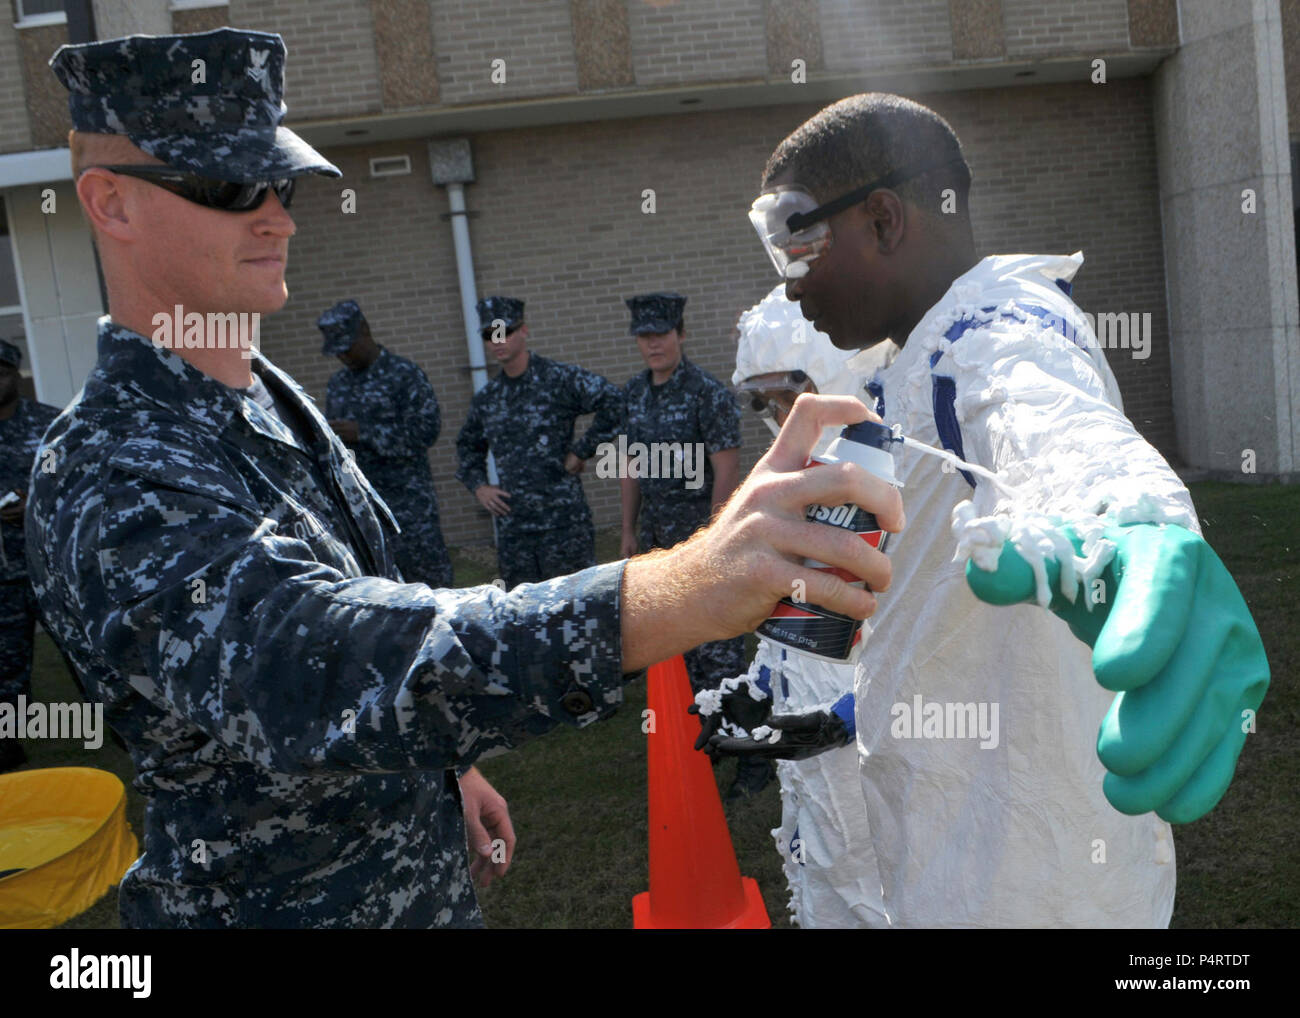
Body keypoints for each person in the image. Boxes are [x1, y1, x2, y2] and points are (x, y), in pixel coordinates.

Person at [30, 28, 902, 929]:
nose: (279, 218)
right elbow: (320, 665)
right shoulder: (110, 468)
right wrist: (691, 584)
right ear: (111, 204)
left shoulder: (266, 394)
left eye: (282, 184)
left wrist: (447, 768)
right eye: (229, 187)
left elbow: (375, 599)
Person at [739, 91, 1269, 927]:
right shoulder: (914, 356)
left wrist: (1124, 512)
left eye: (800, 246)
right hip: (961, 848)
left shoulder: (987, 333)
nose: (791, 285)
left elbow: (1040, 412)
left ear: (882, 219)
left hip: (1030, 879)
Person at [694, 286, 892, 925]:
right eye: (767, 401)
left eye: (790, 397)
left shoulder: (906, 486)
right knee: (825, 890)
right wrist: (758, 687)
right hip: (813, 777)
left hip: (881, 774)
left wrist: (843, 719)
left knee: (885, 899)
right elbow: (799, 625)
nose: (779, 417)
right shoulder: (802, 485)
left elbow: (947, 648)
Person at [456, 296, 624, 589]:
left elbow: (616, 402)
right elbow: (467, 446)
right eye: (489, 335)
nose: (497, 340)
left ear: (524, 330)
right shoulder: (488, 399)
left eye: (504, 331)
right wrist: (479, 486)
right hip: (515, 531)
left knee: (576, 608)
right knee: (524, 620)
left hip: (563, 525)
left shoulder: (558, 380)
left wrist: (582, 450)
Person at [320, 298, 453, 589]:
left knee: (430, 587)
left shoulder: (405, 375)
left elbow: (426, 432)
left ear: (364, 330)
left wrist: (364, 432)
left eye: (347, 347)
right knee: (380, 590)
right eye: (337, 351)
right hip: (363, 509)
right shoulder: (338, 384)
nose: (343, 356)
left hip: (410, 509)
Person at [0, 340, 60, 771]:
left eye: (1, 371)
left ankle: (125, 730)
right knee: (7, 667)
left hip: (52, 569)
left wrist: (33, 504)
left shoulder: (50, 425)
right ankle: (9, 749)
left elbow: (69, 485)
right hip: (3, 576)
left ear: (16, 374)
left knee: (89, 656)